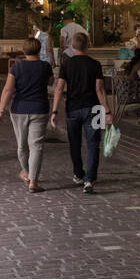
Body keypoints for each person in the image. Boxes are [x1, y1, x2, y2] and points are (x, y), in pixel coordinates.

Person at [50, 31, 113, 194]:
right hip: (94, 109)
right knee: (93, 144)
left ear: (72, 46)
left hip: (73, 108)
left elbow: (59, 88)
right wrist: (107, 111)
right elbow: (100, 89)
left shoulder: (66, 65)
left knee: (75, 144)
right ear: (88, 45)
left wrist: (54, 110)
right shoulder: (95, 64)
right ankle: (90, 180)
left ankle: (78, 173)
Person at [0, 38, 52, 192]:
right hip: (39, 108)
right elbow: (51, 82)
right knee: (36, 146)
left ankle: (26, 171)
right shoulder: (45, 66)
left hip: (19, 109)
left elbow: (8, 90)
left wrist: (1, 110)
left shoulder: (16, 67)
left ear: (24, 50)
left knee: (22, 145)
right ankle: (33, 181)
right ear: (39, 49)